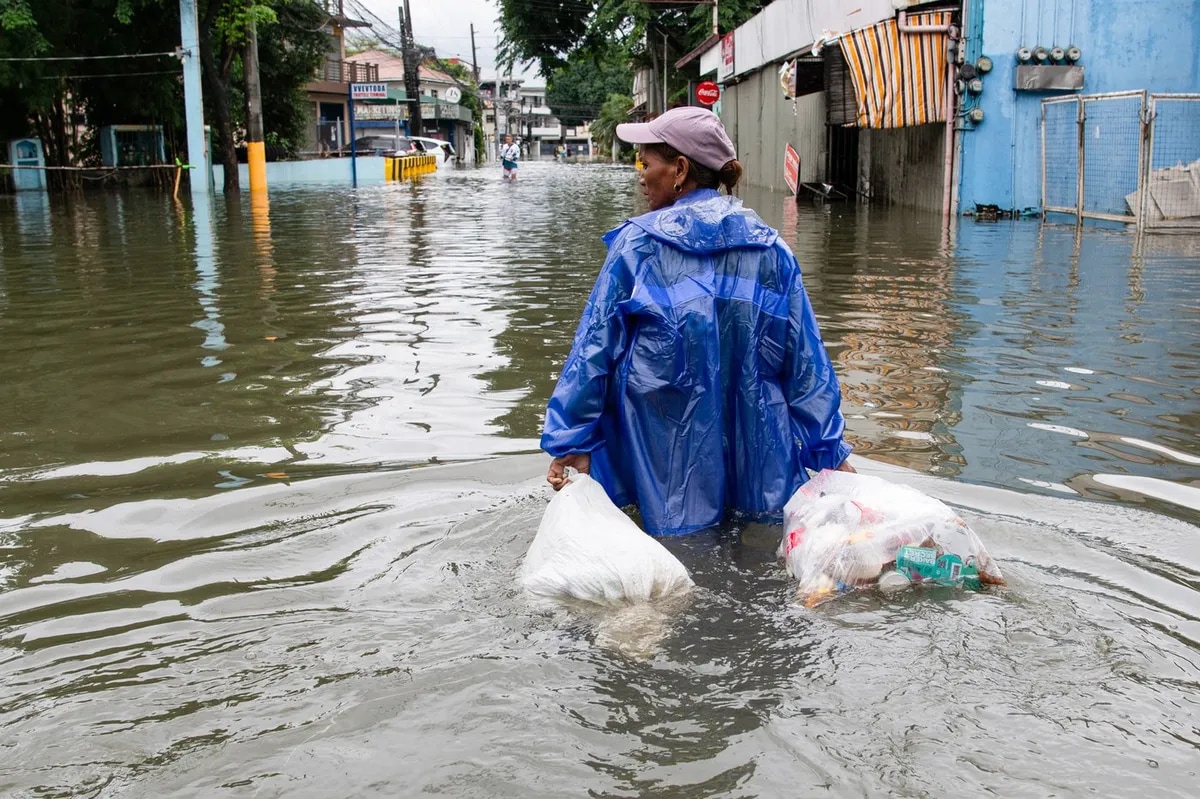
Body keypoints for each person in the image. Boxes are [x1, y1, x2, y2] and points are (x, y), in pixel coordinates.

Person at [541, 106, 854, 536]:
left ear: (680, 169)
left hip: (665, 466)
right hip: (762, 463)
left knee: (675, 569)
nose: (640, 174)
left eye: (645, 162)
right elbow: (807, 368)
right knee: (756, 562)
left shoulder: (638, 247)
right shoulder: (771, 250)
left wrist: (570, 443)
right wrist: (830, 452)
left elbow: (593, 354)